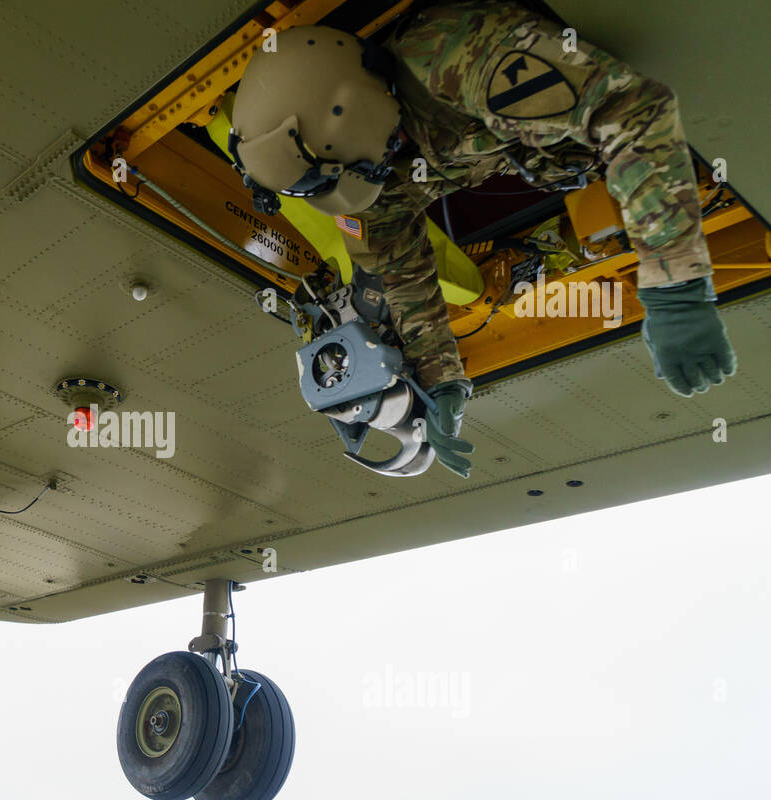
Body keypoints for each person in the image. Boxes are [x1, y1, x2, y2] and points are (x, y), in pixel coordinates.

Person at [229, 2, 737, 477]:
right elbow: (401, 271)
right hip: (559, 156)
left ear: (354, 114)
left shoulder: (459, 61)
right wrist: (442, 381)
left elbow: (633, 111)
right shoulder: (370, 174)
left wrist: (675, 286)